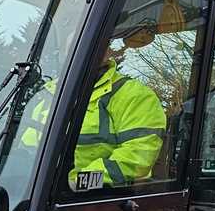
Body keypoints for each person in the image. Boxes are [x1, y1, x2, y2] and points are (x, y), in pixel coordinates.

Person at [23, 19, 168, 189]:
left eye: (85, 48)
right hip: (38, 196)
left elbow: (137, 160)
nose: (77, 55)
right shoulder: (51, 95)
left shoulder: (134, 95)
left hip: (101, 202)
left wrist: (79, 183)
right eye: (70, 49)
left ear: (107, 52)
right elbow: (27, 151)